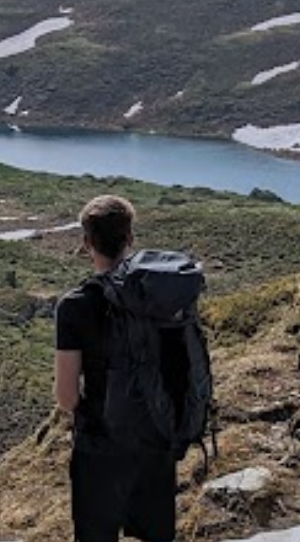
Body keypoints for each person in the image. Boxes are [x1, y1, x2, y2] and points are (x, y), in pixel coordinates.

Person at [54, 194, 178, 542]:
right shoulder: (160, 293)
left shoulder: (75, 306)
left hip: (100, 447)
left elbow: (65, 397)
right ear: (130, 239)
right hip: (157, 436)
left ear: (87, 242)